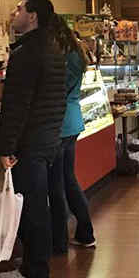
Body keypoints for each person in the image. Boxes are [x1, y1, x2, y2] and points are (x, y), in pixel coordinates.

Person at [0, 0, 67, 278]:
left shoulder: (28, 53)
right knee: (39, 201)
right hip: (48, 135)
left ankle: (35, 269)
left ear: (33, 16)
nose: (15, 13)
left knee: (32, 204)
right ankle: (35, 259)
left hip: (31, 139)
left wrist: (4, 146)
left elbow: (17, 104)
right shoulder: (53, 48)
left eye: (20, 9)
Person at [48, 18, 96, 252]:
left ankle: (59, 242)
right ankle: (85, 232)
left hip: (59, 122)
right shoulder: (76, 52)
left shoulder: (60, 56)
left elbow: (54, 91)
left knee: (56, 184)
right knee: (68, 179)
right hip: (73, 120)